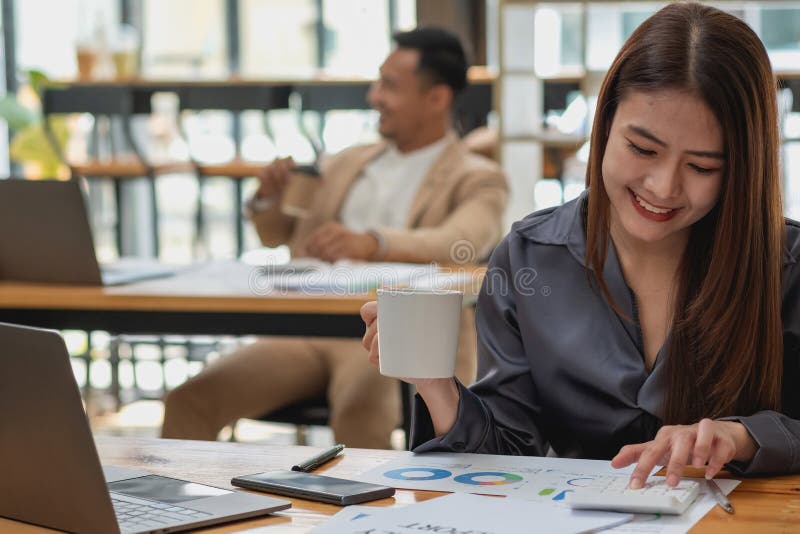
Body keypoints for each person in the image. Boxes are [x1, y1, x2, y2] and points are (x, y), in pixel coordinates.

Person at [362, 3, 800, 487]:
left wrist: (743, 437)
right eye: (643, 149)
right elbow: (506, 453)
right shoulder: (529, 257)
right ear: (605, 124)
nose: (663, 187)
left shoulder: (788, 265)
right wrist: (435, 383)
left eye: (701, 167)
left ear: (742, 168)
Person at [161, 27, 509, 448]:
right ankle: (175, 514)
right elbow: (280, 236)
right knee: (189, 400)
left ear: (437, 98)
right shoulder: (346, 162)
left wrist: (373, 243)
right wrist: (266, 201)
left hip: (389, 334)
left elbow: (461, 243)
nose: (374, 96)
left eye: (390, 86)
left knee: (360, 414)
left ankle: (375, 517)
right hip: (307, 328)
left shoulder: (479, 177)